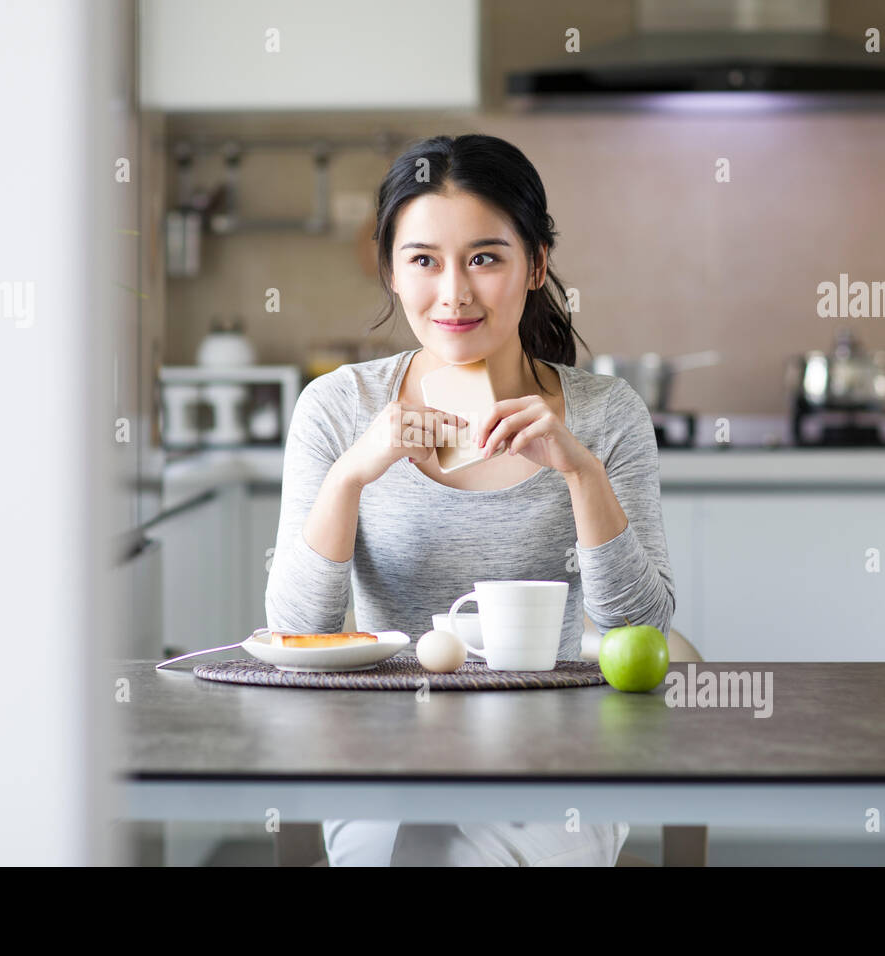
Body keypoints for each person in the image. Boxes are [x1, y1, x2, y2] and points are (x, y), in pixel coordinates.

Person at [264, 133, 675, 866]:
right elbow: (299, 632)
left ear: (536, 264)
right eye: (423, 260)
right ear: (391, 271)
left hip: (560, 757)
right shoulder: (337, 408)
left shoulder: (606, 415)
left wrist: (581, 472)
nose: (453, 293)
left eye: (484, 258)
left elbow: (639, 628)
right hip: (382, 754)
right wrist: (353, 475)